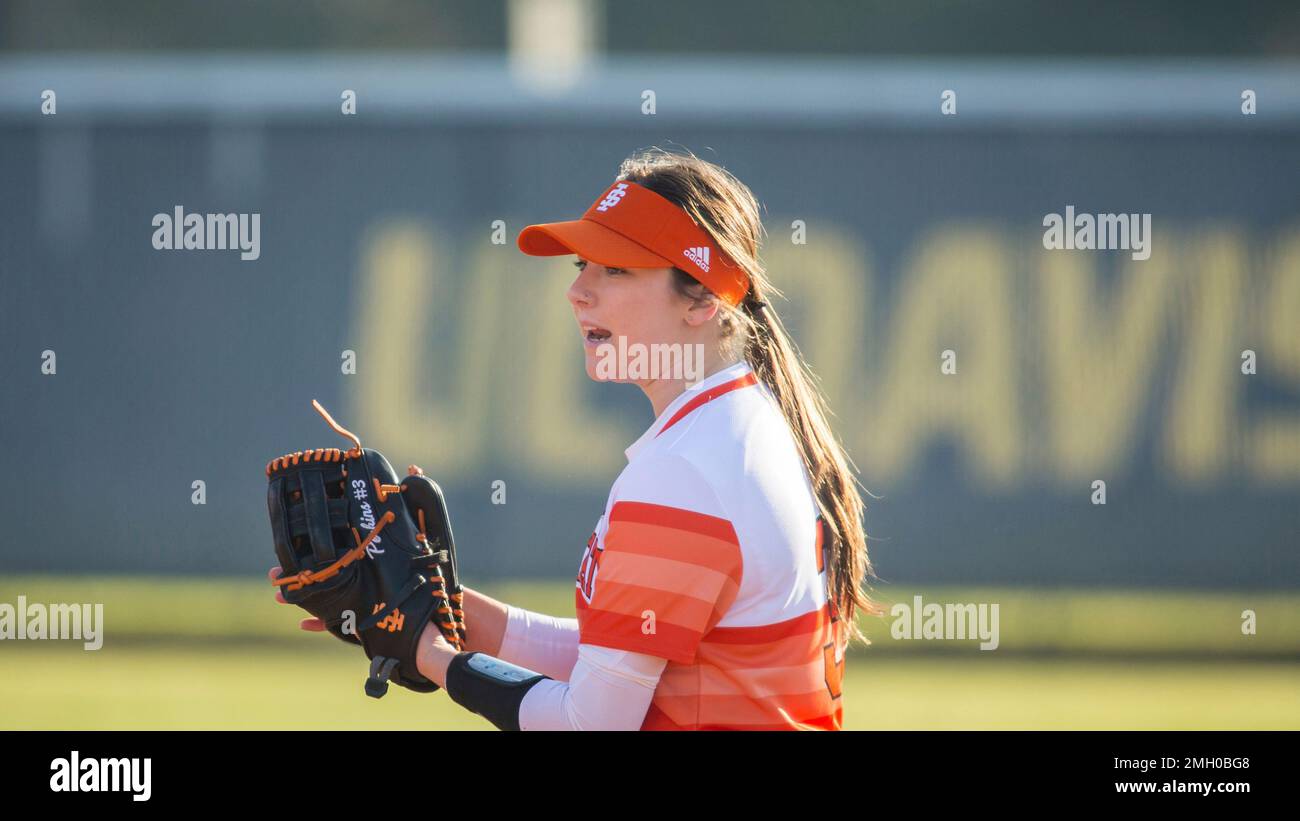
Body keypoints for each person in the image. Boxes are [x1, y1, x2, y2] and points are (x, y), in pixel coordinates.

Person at [275, 147, 878, 730]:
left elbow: (588, 723)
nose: (578, 290)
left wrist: (431, 653)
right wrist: (439, 605)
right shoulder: (746, 425)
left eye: (615, 268)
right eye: (580, 265)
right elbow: (622, 664)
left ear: (701, 298)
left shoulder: (684, 472)